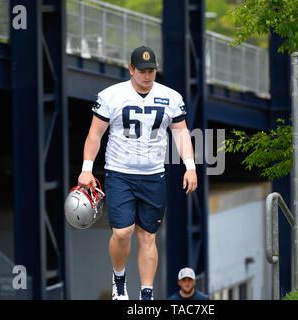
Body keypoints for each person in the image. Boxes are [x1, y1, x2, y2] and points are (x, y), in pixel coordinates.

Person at [78, 46, 197, 300]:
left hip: (154, 175)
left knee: (148, 235)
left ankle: (146, 293)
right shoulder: (112, 95)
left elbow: (181, 132)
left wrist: (190, 165)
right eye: (142, 70)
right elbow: (95, 134)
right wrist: (86, 169)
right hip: (120, 173)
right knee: (122, 232)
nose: (147, 75)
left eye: (151, 70)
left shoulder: (171, 97)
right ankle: (119, 280)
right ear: (131, 69)